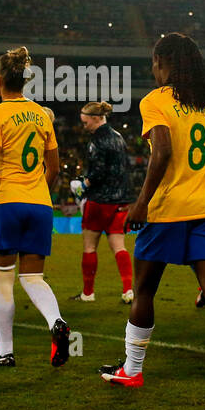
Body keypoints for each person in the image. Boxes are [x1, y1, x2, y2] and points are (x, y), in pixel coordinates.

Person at [98, 33, 205, 398]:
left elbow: (161, 152)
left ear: (164, 62)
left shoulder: (155, 100)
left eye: (154, 62)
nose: (153, 69)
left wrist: (141, 202)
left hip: (167, 210)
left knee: (144, 290)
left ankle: (132, 370)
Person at [0, 46, 70, 368]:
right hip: (39, 203)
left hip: (6, 202)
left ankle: (5, 351)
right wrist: (39, 190)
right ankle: (56, 321)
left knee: (2, 279)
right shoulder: (42, 114)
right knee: (33, 277)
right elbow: (54, 166)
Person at [72, 101, 135, 304]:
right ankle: (128, 290)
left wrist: (83, 184)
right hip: (120, 200)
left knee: (90, 246)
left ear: (97, 118)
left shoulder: (97, 140)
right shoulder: (119, 137)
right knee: (119, 246)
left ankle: (88, 293)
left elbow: (98, 171)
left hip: (99, 201)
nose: (84, 126)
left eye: (85, 122)